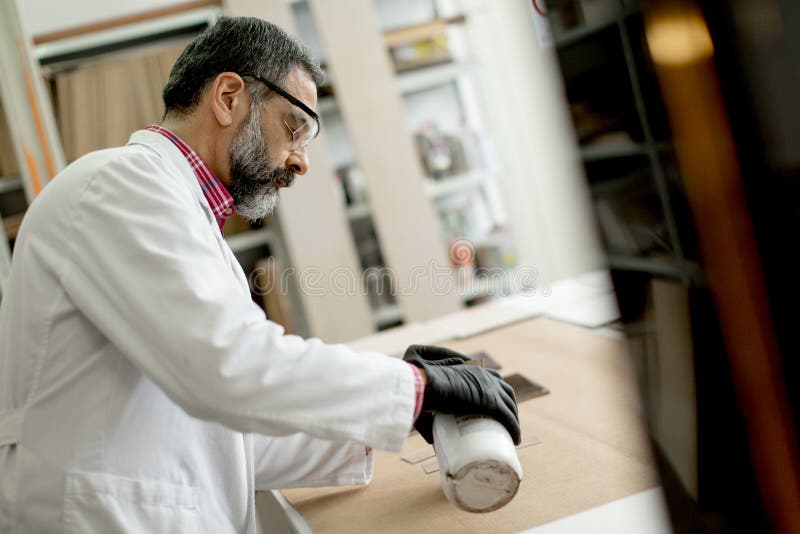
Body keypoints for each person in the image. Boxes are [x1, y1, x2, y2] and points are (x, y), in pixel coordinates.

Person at [0, 17, 519, 532]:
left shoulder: (181, 214)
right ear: (228, 96)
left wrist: (400, 410)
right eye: (296, 127)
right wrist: (414, 388)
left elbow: (232, 438)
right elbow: (231, 367)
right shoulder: (119, 186)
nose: (302, 162)